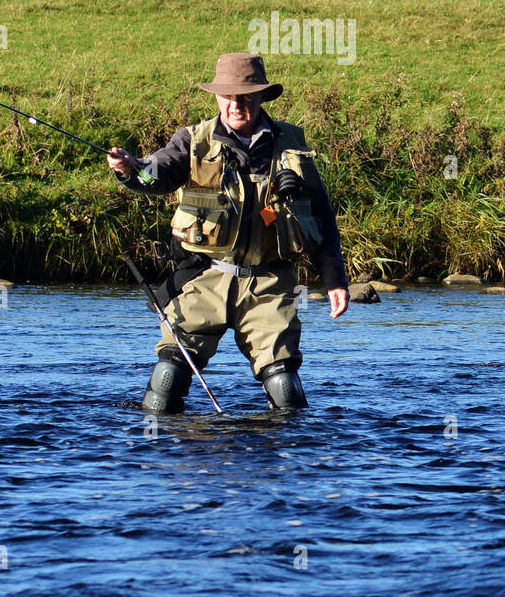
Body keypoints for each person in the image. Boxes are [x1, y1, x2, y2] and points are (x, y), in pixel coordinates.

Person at [108, 53, 349, 412]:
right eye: (230, 96)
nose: (238, 105)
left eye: (247, 96)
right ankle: (164, 457)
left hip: (269, 283)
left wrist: (334, 278)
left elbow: (320, 214)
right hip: (205, 277)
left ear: (261, 97)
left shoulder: (292, 144)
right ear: (217, 97)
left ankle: (287, 462)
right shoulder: (193, 141)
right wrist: (130, 169)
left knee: (285, 386)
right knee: (168, 376)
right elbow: (154, 173)